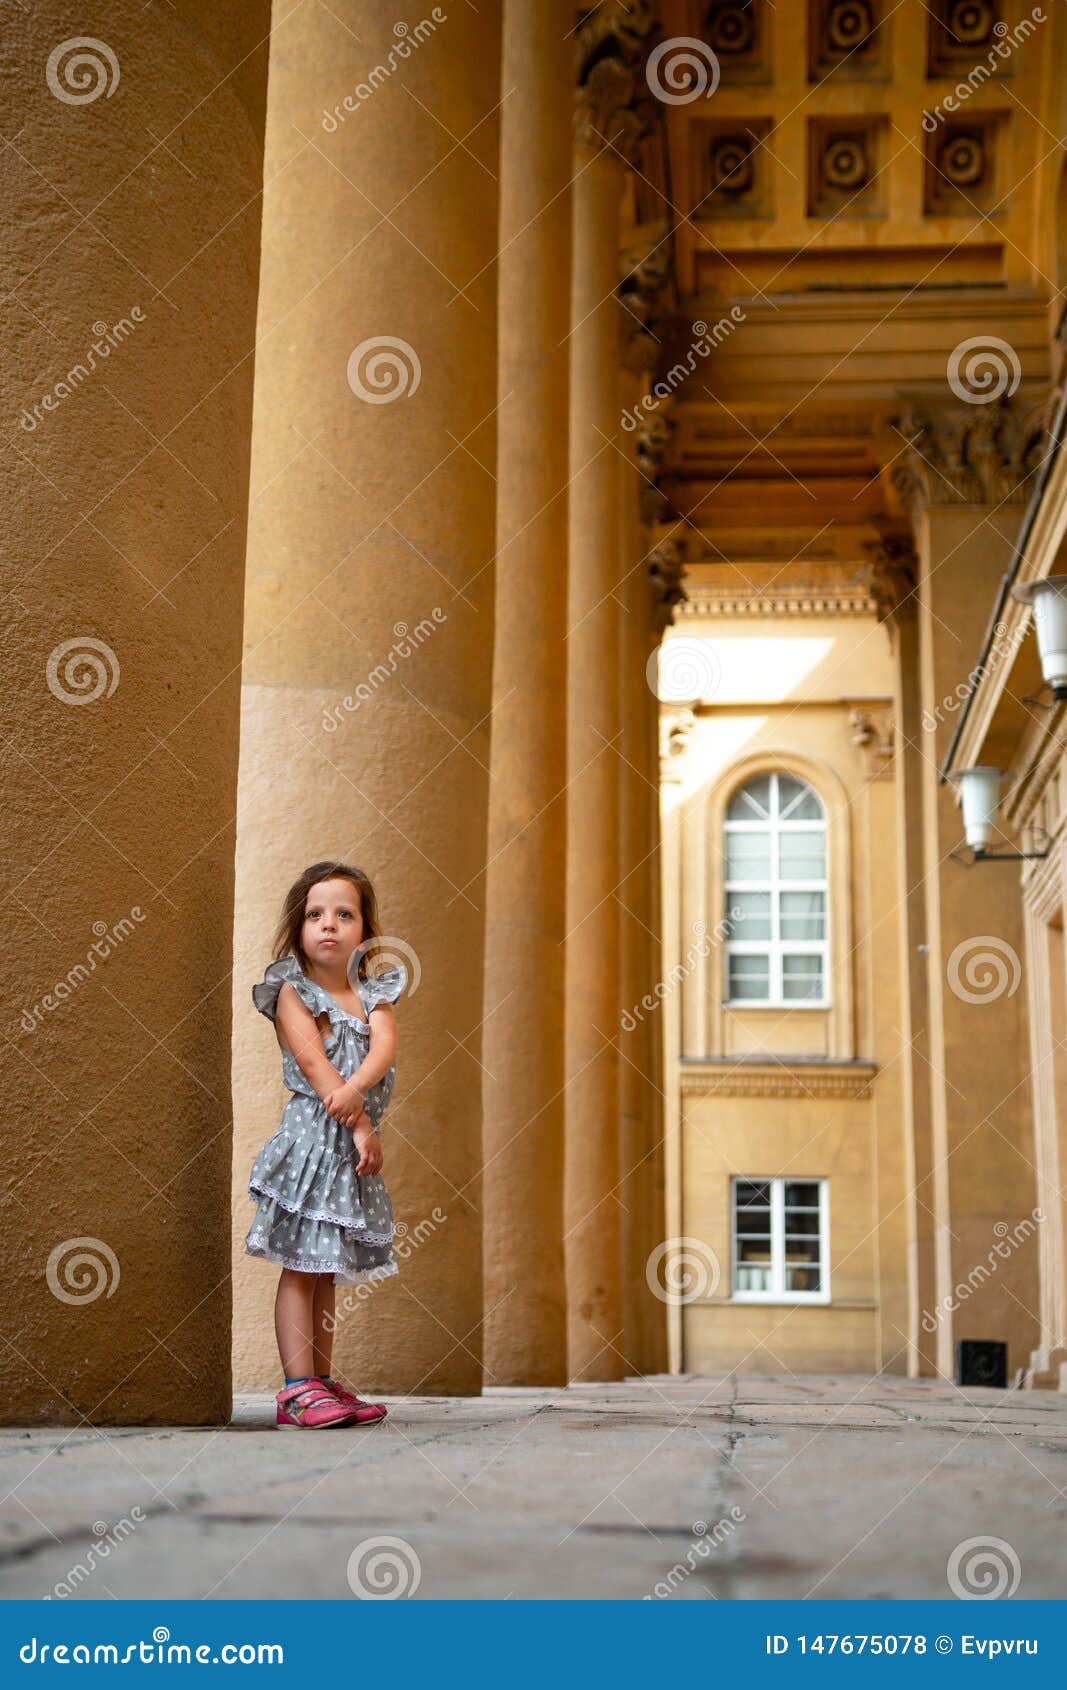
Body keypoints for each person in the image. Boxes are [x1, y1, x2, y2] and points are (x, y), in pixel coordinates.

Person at [244, 859, 407, 1429]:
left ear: (365, 931)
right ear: (299, 928)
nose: (329, 925)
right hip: (312, 1150)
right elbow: (315, 1064)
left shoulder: (374, 993)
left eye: (345, 914)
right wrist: (360, 1119)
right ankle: (296, 1389)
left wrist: (360, 1096)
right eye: (315, 915)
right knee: (299, 1268)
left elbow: (382, 1049)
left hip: (344, 1158)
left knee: (325, 1267)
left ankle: (322, 1379)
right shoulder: (292, 991)